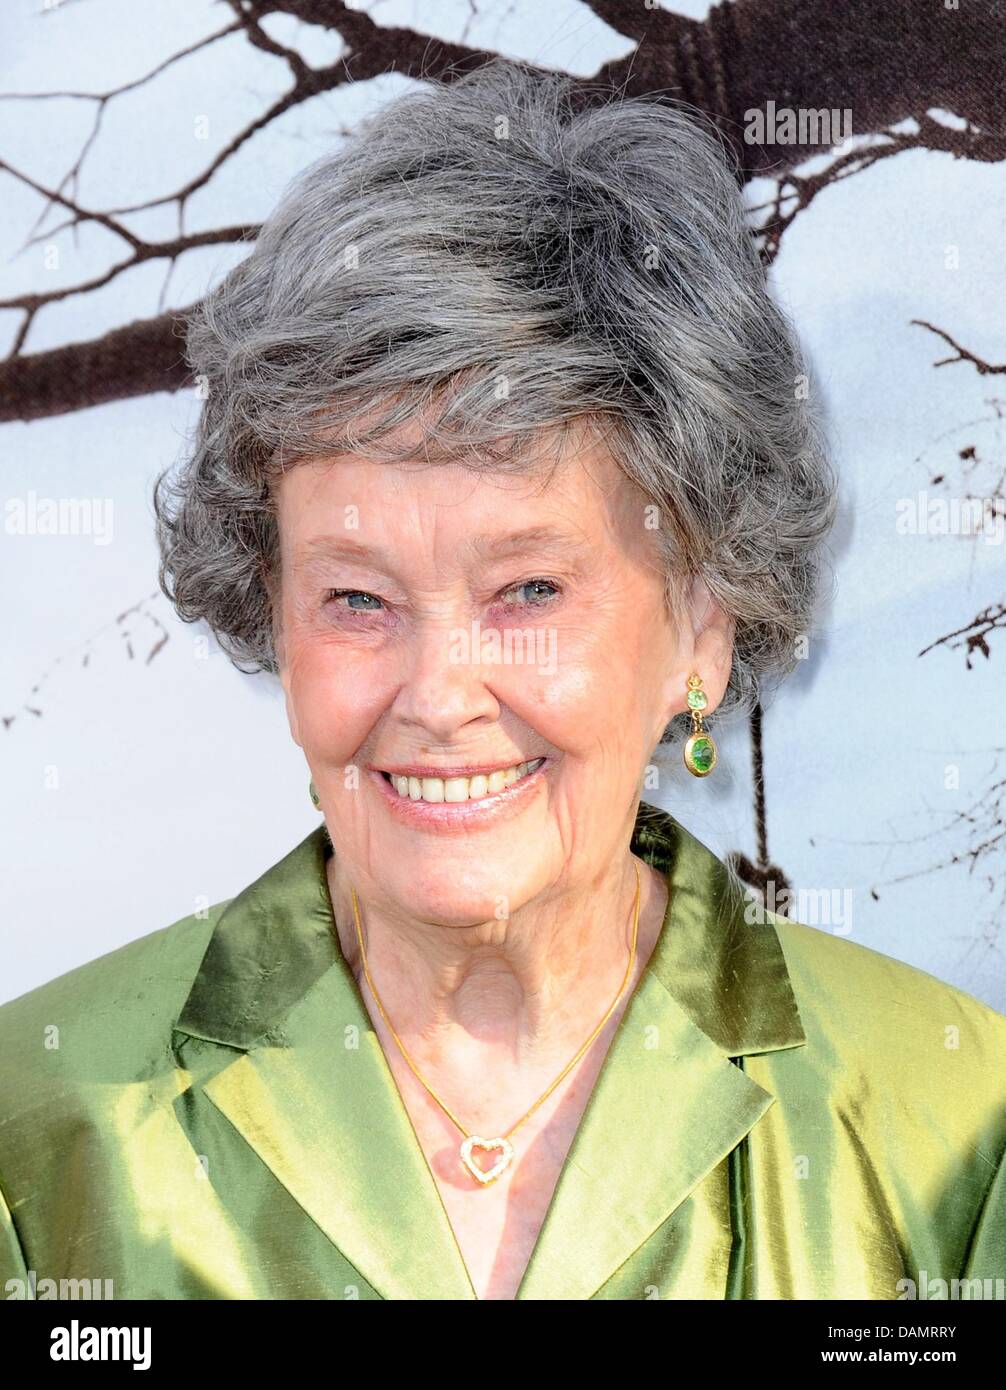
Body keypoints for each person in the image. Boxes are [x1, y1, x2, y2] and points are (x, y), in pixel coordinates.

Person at [2, 59, 1003, 1302]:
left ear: (702, 626)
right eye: (355, 599)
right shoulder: (39, 1143)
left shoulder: (953, 1133)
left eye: (528, 590)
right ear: (273, 612)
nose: (438, 693)